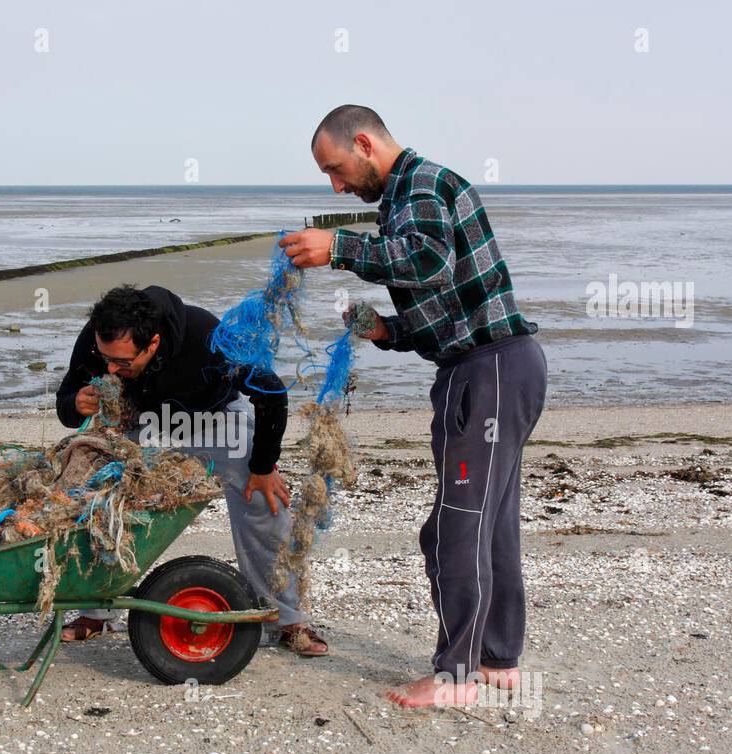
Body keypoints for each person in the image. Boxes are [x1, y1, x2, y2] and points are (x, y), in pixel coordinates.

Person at [281, 104, 547, 706]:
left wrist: (340, 247)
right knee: (493, 520)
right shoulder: (414, 195)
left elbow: (427, 263)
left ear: (366, 144)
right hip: (506, 364)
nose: (337, 184)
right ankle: (498, 658)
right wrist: (386, 331)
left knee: (454, 527)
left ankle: (455, 676)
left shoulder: (420, 185)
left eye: (337, 169)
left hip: (485, 373)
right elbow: (446, 302)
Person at [54, 283, 327, 655]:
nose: (109, 369)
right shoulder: (98, 337)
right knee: (99, 495)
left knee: (263, 497)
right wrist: (77, 403)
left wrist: (263, 466)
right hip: (141, 423)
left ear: (151, 343)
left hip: (215, 420)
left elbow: (272, 393)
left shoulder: (208, 337)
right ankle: (94, 613)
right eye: (106, 359)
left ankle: (287, 619)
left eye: (122, 363)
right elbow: (66, 404)